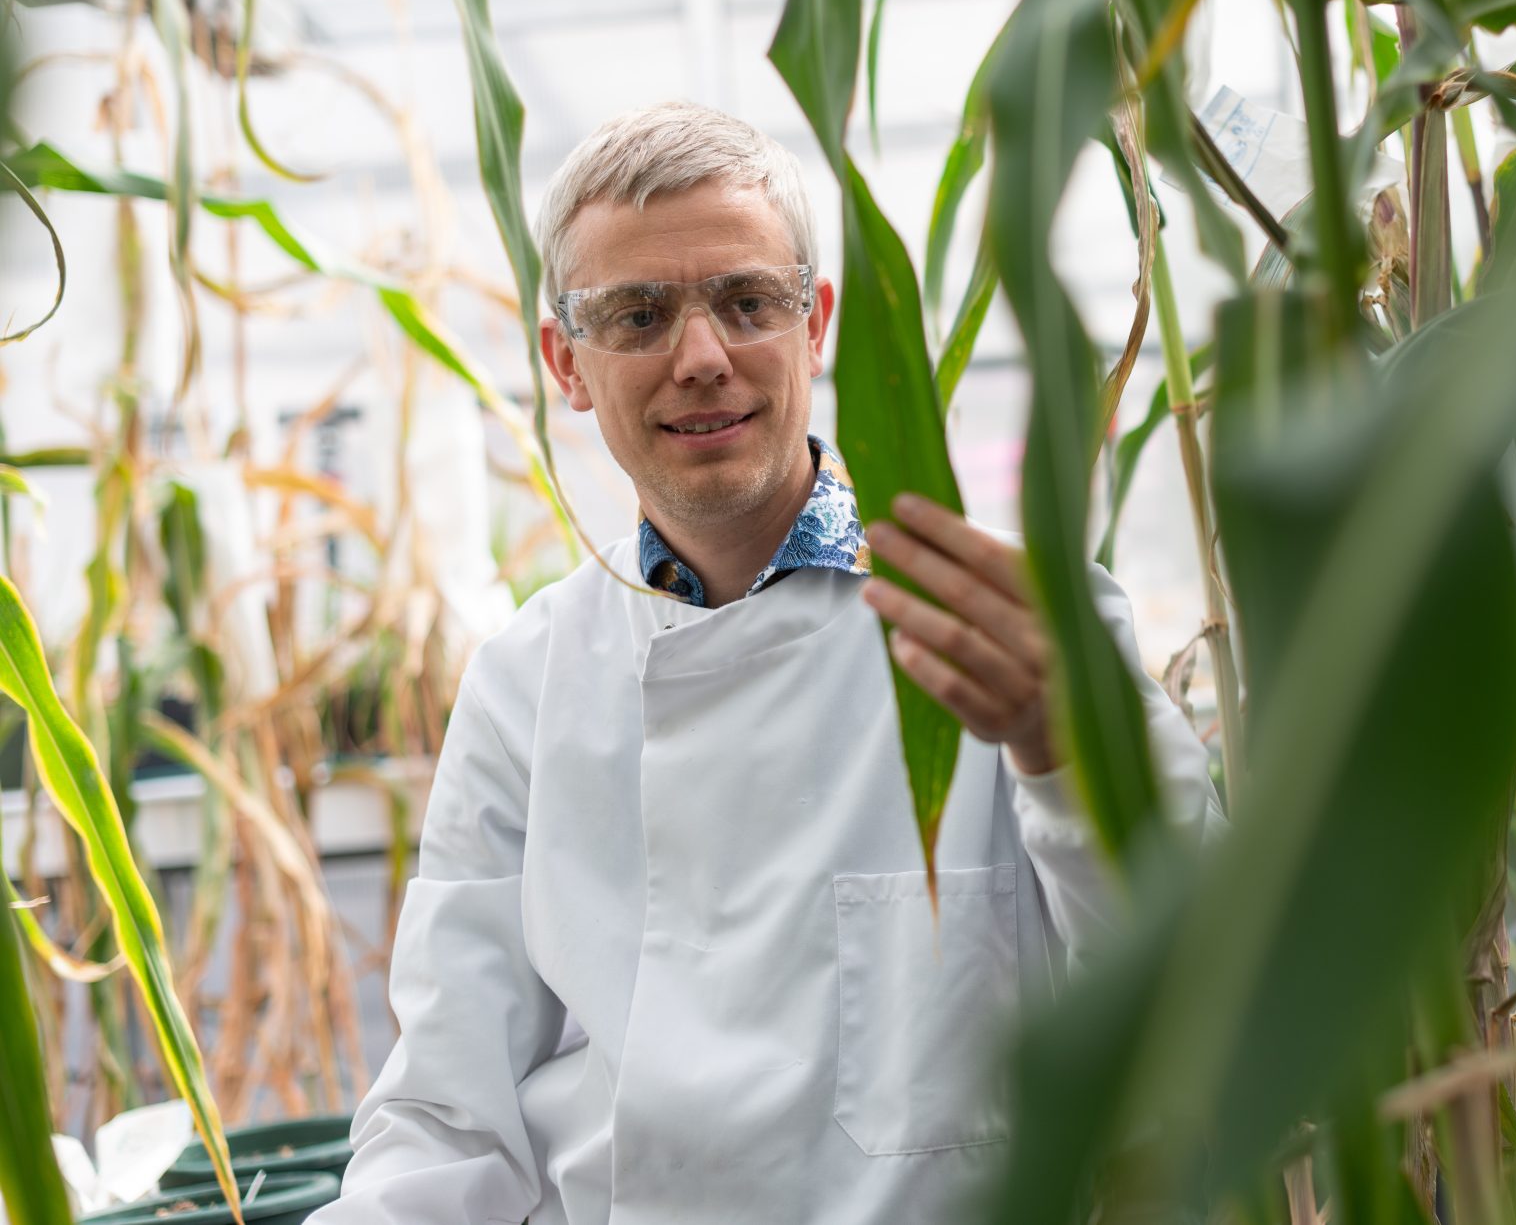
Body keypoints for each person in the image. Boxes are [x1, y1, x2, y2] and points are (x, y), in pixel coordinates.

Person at [309, 102, 1221, 1225]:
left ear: (815, 323)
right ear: (566, 363)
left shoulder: (1006, 619)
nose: (701, 359)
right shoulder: (526, 683)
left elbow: (1203, 985)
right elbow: (451, 1117)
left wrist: (1064, 748)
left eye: (746, 302)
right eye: (637, 314)